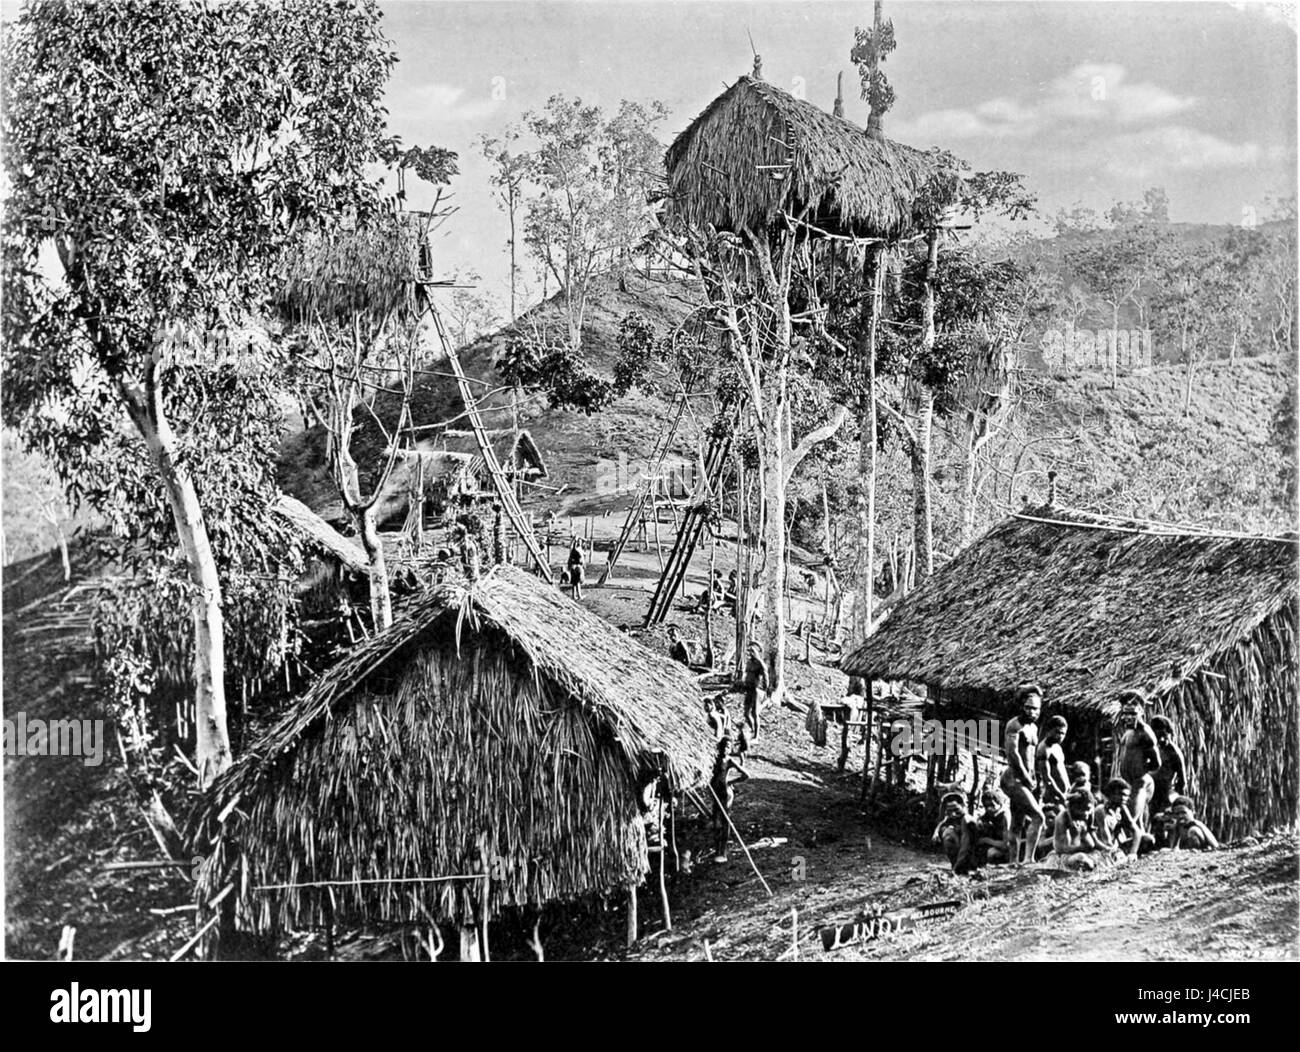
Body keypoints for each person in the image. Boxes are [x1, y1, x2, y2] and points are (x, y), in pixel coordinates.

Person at [1001, 683, 1045, 864]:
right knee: (1038, 817)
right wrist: (1027, 778)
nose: (1032, 713)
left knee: (1017, 821)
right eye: (1028, 708)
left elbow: (1031, 757)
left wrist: (1034, 778)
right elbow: (1013, 755)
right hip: (1013, 779)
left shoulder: (1033, 728)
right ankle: (1028, 859)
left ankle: (1013, 862)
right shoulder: (1014, 725)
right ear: (1021, 706)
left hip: (1025, 779)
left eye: (1036, 709)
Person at [1114, 690, 1161, 830]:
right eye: (1125, 713)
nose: (1128, 717)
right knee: (1137, 823)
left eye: (1133, 713)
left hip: (1140, 782)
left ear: (1141, 711)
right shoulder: (1128, 731)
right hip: (1128, 782)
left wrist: (1139, 771)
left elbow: (1156, 763)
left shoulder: (1145, 733)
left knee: (1130, 822)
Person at [1047, 789, 1117, 871]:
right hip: (1066, 855)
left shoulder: (1089, 815)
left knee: (1114, 854)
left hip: (1087, 853)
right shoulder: (1063, 817)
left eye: (1089, 809)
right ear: (1075, 807)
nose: (1087, 813)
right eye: (1084, 809)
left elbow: (1094, 841)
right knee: (1081, 859)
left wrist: (1107, 848)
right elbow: (1059, 848)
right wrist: (1081, 847)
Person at [709, 731, 749, 862]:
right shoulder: (713, 759)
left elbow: (746, 775)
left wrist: (731, 782)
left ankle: (723, 852)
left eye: (728, 747)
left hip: (725, 793)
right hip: (715, 792)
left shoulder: (729, 761)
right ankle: (716, 850)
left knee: (725, 820)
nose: (725, 749)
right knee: (716, 821)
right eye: (723, 746)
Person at [1094, 778, 1153, 858]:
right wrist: (1113, 851)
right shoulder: (1101, 810)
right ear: (1111, 794)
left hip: (1118, 846)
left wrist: (1133, 853)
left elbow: (1136, 832)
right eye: (1120, 794)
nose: (1124, 798)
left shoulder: (1122, 809)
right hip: (1103, 847)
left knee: (1148, 839)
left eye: (1126, 796)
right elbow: (1105, 837)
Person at [956, 789, 1011, 874]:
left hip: (1010, 850)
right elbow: (981, 820)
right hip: (995, 844)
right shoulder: (990, 813)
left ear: (999, 803)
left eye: (992, 805)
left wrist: (987, 840)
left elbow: (1006, 845)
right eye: (986, 806)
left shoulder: (1005, 816)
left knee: (991, 853)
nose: (989, 808)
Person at [1149, 715, 1187, 818]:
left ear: (1169, 733)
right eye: (1158, 735)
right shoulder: (1152, 750)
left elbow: (1182, 779)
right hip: (1153, 793)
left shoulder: (1173, 752)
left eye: (1164, 735)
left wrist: (1178, 798)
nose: (1161, 739)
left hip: (1167, 793)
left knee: (1166, 820)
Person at [1036, 715, 1070, 812]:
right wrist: (1060, 795)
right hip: (1054, 796)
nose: (1060, 736)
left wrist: (1068, 787)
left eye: (1063, 733)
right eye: (1057, 732)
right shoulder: (1044, 749)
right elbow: (1047, 778)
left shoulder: (1057, 747)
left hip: (1064, 793)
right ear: (1049, 730)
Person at [931, 791, 969, 870]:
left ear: (963, 806)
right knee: (948, 834)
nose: (953, 814)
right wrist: (936, 833)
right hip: (959, 845)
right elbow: (942, 823)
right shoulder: (949, 818)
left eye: (956, 810)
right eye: (949, 811)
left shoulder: (968, 819)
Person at [742, 642, 768, 741]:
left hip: (757, 690)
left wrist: (765, 690)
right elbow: (746, 675)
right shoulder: (749, 663)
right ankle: (752, 730)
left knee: (755, 712)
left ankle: (756, 736)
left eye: (752, 651)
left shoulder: (760, 664)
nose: (750, 653)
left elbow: (766, 678)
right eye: (749, 651)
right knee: (746, 713)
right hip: (749, 689)